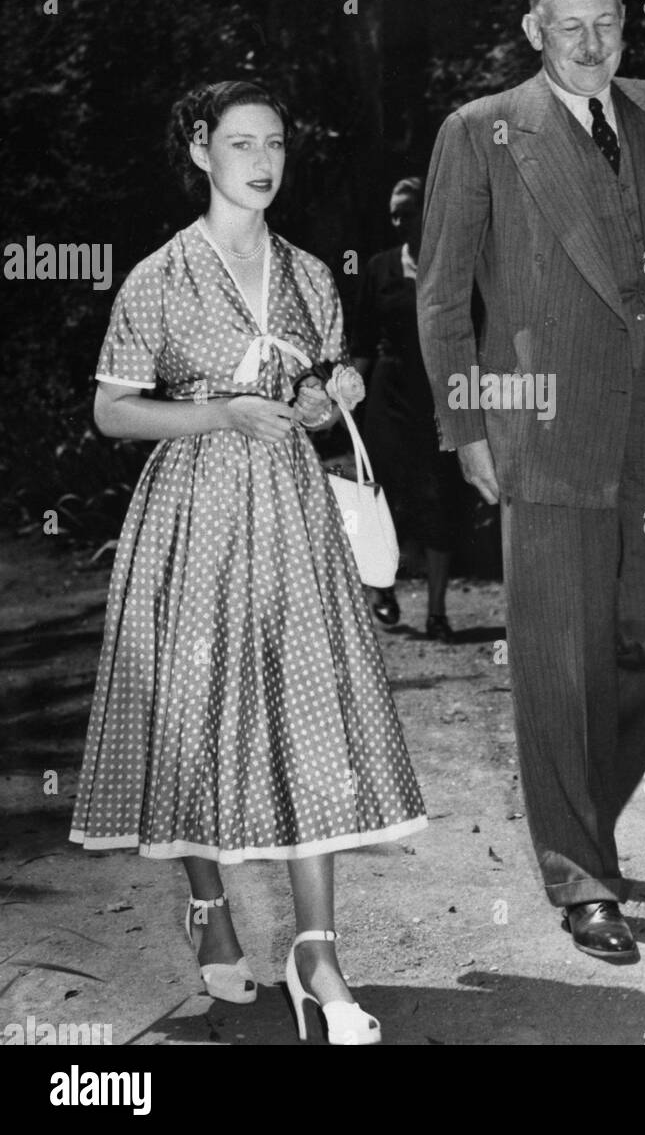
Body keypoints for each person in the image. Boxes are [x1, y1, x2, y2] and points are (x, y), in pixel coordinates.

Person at [69, 80, 426, 1045]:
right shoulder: (160, 276)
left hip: (293, 513)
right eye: (239, 144)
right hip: (192, 512)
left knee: (309, 716)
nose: (261, 161)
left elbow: (316, 390)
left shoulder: (311, 274)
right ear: (200, 151)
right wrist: (221, 413)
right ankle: (210, 912)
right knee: (198, 717)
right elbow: (112, 410)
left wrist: (331, 391)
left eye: (273, 144)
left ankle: (317, 954)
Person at [417, 0, 645, 959]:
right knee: (559, 657)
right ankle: (582, 875)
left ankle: (577, 804)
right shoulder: (482, 131)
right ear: (531, 30)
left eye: (607, 24)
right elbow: (442, 295)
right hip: (539, 417)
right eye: (569, 30)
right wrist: (464, 426)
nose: (592, 46)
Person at [350, 176, 465, 640]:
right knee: (383, 497)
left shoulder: (455, 265)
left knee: (441, 498)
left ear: (429, 212)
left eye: (408, 212)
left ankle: (437, 611)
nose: (400, 221)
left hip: (440, 395)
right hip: (387, 394)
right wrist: (344, 400)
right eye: (394, 213)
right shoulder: (378, 268)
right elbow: (361, 343)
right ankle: (383, 590)